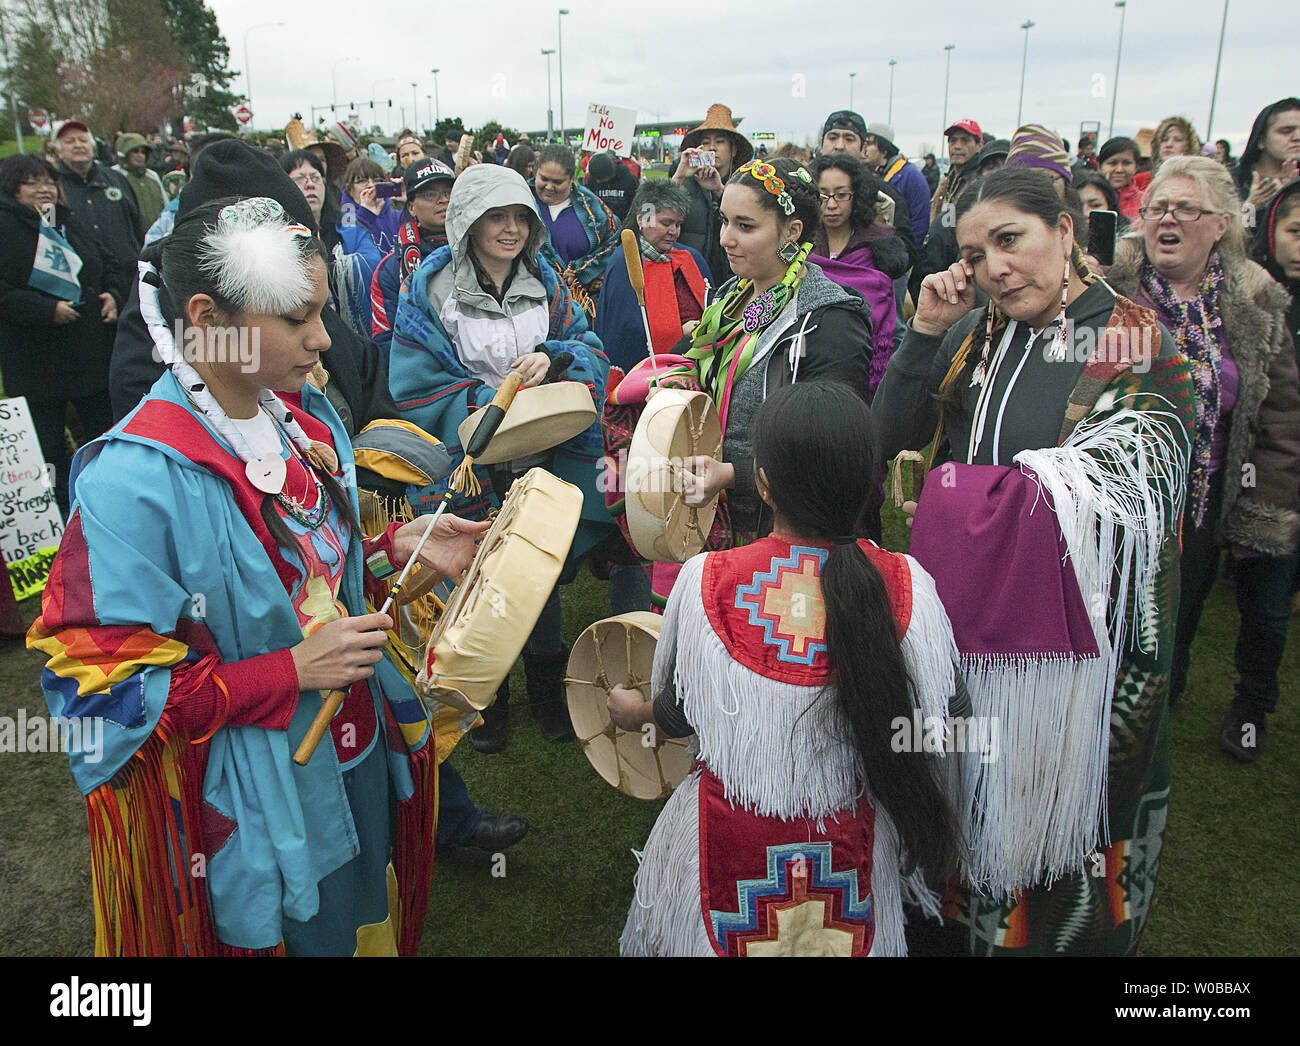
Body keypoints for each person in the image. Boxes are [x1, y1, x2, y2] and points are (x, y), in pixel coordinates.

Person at [26, 194, 492, 956]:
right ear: (206, 318)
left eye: (322, 313)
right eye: (297, 319)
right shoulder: (131, 482)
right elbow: (97, 696)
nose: (323, 340)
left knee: (362, 925)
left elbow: (304, 590)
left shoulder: (306, 427)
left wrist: (388, 553)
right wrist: (282, 674)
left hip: (358, 757)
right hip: (249, 808)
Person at [873, 167, 1196, 955]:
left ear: (1067, 230)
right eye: (977, 254)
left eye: (1010, 240)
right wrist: (922, 333)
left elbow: (1140, 498)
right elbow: (885, 439)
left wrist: (959, 508)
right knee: (967, 796)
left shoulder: (1129, 339)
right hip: (973, 625)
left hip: (1079, 647)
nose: (995, 269)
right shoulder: (977, 332)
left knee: (1058, 837)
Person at [614, 381, 964, 957]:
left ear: (766, 485)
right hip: (850, 849)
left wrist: (633, 714)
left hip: (723, 840)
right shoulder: (907, 586)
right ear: (864, 480)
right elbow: (945, 717)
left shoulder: (707, 582)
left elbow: (677, 714)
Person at [387, 163, 613, 751]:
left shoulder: (548, 279)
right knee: (479, 569)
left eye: (520, 216)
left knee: (540, 566)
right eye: (497, 216)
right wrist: (489, 404)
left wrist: (555, 358)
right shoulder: (431, 291)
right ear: (467, 220)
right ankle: (487, 698)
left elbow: (590, 348)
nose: (511, 229)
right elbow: (415, 385)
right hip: (473, 457)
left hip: (547, 448)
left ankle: (546, 689)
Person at [605, 158, 872, 610]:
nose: (726, 237)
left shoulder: (830, 321)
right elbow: (705, 374)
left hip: (782, 533)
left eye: (745, 226)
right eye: (725, 220)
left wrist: (734, 474)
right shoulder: (732, 296)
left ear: (791, 231)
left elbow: (835, 448)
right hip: (708, 515)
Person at [1105, 157, 1300, 762]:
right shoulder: (1109, 285)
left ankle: (1165, 691)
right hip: (1121, 490)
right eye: (1156, 207)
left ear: (1220, 224)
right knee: (1112, 610)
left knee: (1179, 609)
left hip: (1203, 495)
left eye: (1185, 209)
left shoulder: (1255, 301)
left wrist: (1266, 502)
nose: (1167, 219)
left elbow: (1281, 415)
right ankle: (1105, 712)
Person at [0, 154, 124, 517]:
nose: (44, 189)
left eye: (48, 182)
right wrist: (44, 310)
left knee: (104, 436)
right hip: (35, 364)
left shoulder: (62, 221)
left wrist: (113, 294)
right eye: (32, 182)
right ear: (11, 187)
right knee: (49, 449)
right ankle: (61, 512)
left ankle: (109, 504)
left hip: (88, 359)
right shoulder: (6, 226)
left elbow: (107, 261)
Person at [808, 152, 908, 397]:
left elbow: (895, 326)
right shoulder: (802, 242)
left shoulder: (880, 245)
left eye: (842, 195)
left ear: (857, 196)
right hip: (810, 365)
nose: (832, 204)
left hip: (865, 368)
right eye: (823, 195)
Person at [370, 157, 455, 360]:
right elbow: (386, 344)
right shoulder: (391, 269)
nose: (443, 200)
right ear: (411, 207)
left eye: (449, 192)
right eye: (430, 194)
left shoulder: (484, 251)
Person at [673, 103, 754, 284]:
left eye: (719, 141)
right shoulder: (685, 182)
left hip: (735, 280)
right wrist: (679, 176)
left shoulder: (747, 182)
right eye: (706, 142)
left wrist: (720, 190)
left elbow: (751, 220)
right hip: (690, 279)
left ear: (733, 149)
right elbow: (652, 219)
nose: (712, 148)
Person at [531, 143, 621, 304]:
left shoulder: (591, 207)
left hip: (580, 303)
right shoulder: (521, 202)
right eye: (544, 179)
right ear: (535, 172)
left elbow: (613, 239)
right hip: (529, 301)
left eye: (558, 182)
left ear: (571, 179)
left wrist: (582, 270)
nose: (549, 187)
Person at [54, 120, 144, 277]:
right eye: (69, 141)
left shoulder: (116, 179)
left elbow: (137, 223)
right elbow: (49, 231)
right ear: (57, 150)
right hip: (85, 281)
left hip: (127, 276)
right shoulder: (50, 187)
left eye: (83, 140)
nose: (78, 145)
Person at [862, 122, 931, 244]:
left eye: (870, 143)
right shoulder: (879, 174)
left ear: (884, 149)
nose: (864, 149)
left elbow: (919, 223)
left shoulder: (911, 176)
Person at [1236, 98, 1300, 214]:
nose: (1297, 137)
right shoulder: (1229, 181)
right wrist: (1250, 208)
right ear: (1261, 140)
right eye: (1286, 131)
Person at [929, 118, 983, 223]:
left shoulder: (980, 182)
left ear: (979, 146)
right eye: (953, 141)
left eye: (965, 141)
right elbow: (945, 221)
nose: (957, 146)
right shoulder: (948, 179)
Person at [113, 133, 166, 229]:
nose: (140, 155)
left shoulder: (152, 176)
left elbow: (166, 206)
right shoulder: (113, 176)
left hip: (156, 236)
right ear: (125, 153)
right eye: (135, 151)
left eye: (143, 152)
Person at [1098, 136, 1145, 222]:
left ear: (1136, 167)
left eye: (1126, 163)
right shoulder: (1088, 199)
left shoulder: (1146, 201)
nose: (1119, 170)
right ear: (1100, 167)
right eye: (1113, 163)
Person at [584, 150, 639, 222]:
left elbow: (637, 206)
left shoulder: (629, 180)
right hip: (600, 225)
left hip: (624, 224)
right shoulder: (592, 180)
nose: (597, 181)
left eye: (600, 179)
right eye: (596, 179)